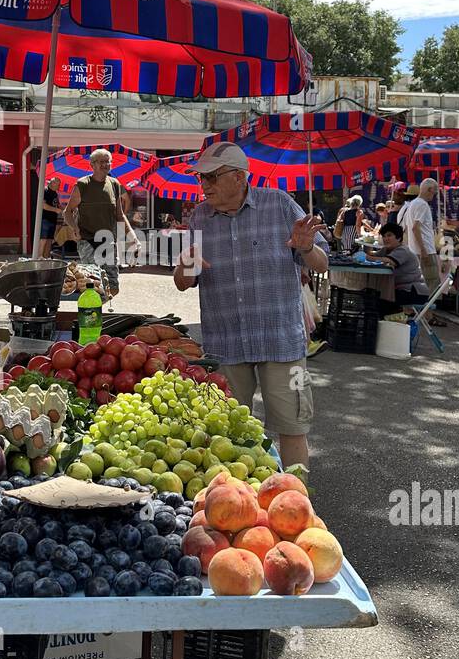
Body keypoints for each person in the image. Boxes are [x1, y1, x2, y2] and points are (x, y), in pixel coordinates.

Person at [172, 142, 328, 473]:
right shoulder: (199, 216)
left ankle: (297, 499)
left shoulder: (280, 204)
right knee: (227, 431)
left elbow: (321, 264)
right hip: (225, 343)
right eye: (202, 179)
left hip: (281, 341)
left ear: (240, 177)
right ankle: (236, 501)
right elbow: (183, 281)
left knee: (292, 425)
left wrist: (307, 247)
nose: (205, 186)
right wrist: (185, 266)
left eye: (212, 178)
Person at [64, 149, 136, 298]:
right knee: (92, 283)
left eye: (107, 161)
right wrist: (74, 227)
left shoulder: (114, 184)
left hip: (108, 241)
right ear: (92, 165)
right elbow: (67, 212)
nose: (105, 164)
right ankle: (92, 315)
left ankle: (99, 311)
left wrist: (133, 238)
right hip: (88, 241)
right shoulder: (83, 184)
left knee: (112, 286)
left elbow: (120, 215)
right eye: (101, 161)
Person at [400, 178, 445, 323]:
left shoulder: (412, 205)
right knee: (432, 283)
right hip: (424, 250)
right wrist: (424, 250)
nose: (435, 195)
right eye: (435, 191)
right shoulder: (422, 205)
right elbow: (415, 228)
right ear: (429, 190)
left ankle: (413, 311)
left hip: (416, 250)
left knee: (420, 283)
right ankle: (429, 315)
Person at [375, 222, 430, 313]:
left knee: (382, 298)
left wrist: (366, 257)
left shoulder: (403, 250)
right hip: (401, 290)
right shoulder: (386, 250)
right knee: (373, 295)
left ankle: (388, 323)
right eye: (384, 236)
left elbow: (388, 260)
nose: (385, 239)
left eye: (389, 235)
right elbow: (375, 257)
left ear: (399, 237)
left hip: (415, 292)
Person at [39, 184, 60, 258]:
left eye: (59, 184)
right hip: (45, 219)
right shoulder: (45, 191)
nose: (59, 185)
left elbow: (58, 205)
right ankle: (40, 257)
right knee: (43, 239)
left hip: (53, 219)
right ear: (52, 183)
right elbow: (43, 205)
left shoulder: (55, 193)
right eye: (57, 183)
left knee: (49, 240)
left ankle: (46, 258)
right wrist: (56, 210)